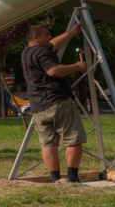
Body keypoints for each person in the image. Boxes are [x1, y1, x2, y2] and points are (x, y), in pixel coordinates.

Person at [21, 23, 89, 184]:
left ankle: (55, 179)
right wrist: (77, 66)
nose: (49, 37)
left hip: (38, 106)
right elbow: (53, 71)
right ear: (36, 37)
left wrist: (71, 32)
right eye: (45, 35)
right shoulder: (42, 53)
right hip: (57, 101)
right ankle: (72, 178)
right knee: (74, 139)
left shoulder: (27, 52)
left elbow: (54, 44)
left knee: (48, 144)